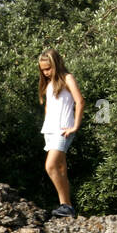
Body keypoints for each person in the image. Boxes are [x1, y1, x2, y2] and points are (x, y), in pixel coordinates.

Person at [38, 48, 83, 217]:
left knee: (50, 166)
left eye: (48, 68)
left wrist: (75, 126)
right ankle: (67, 207)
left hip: (64, 129)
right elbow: (49, 107)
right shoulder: (49, 84)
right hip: (50, 130)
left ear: (56, 64)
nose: (46, 72)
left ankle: (65, 205)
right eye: (43, 69)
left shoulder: (67, 78)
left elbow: (80, 101)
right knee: (61, 168)